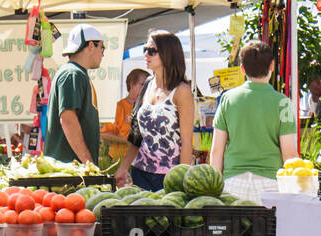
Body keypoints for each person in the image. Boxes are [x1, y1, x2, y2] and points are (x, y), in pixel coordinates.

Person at [210, 41, 299, 202]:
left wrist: (213, 189)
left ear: (242, 69)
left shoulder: (228, 99)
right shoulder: (282, 102)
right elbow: (290, 155)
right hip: (271, 184)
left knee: (235, 228)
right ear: (272, 66)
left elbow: (217, 150)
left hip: (233, 183)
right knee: (269, 228)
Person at [115, 31, 195, 191]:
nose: (146, 54)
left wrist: (181, 181)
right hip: (140, 173)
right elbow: (136, 135)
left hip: (169, 177)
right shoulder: (148, 84)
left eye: (151, 50)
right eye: (145, 49)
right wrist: (123, 168)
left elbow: (186, 142)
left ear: (168, 54)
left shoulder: (181, 90)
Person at [43, 25, 106, 166]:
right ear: (90, 45)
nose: (102, 54)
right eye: (102, 48)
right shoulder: (73, 74)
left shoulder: (75, 73)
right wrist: (88, 163)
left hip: (72, 169)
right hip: (69, 171)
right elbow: (68, 119)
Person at [101, 68, 150, 164]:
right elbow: (104, 134)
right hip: (120, 160)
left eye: (149, 85)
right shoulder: (119, 106)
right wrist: (127, 140)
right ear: (132, 84)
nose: (147, 88)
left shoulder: (149, 106)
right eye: (143, 84)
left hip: (144, 162)